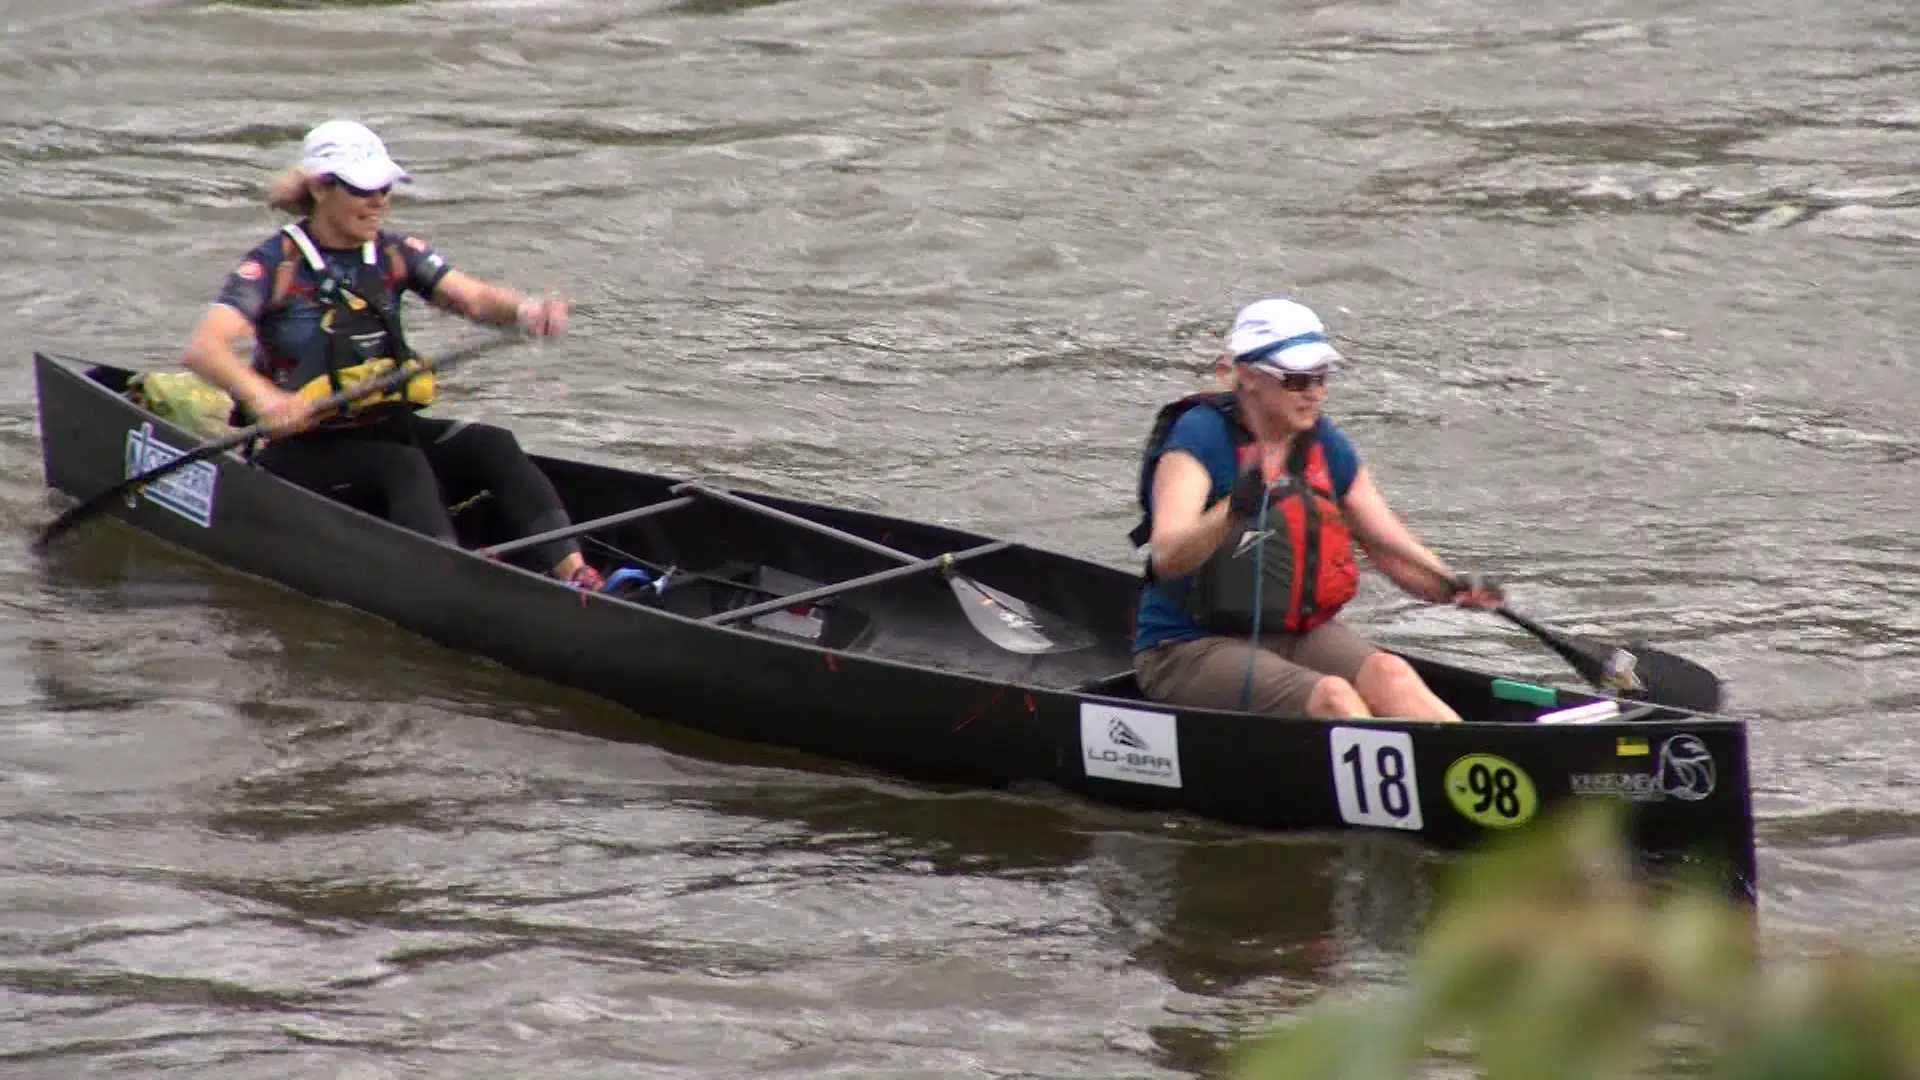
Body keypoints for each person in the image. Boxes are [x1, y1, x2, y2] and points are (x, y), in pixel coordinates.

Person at [179, 118, 607, 590]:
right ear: (321, 188)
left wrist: (526, 312)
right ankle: (453, 585)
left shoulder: (394, 253)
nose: (379, 201)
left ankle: (579, 578)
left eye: (385, 188)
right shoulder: (274, 264)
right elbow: (204, 350)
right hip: (303, 447)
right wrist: (267, 401)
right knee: (401, 466)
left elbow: (474, 300)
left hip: (383, 430)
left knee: (492, 443)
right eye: (364, 190)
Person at [1128, 297, 1505, 722]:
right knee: (1333, 697)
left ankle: (1466, 762)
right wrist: (1234, 508)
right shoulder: (1200, 435)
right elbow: (1168, 555)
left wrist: (1450, 586)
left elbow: (1386, 544)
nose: (1315, 393)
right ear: (1249, 377)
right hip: (1187, 647)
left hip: (1293, 635)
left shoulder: (1324, 443)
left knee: (1390, 673)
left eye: (1322, 377)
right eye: (1296, 380)